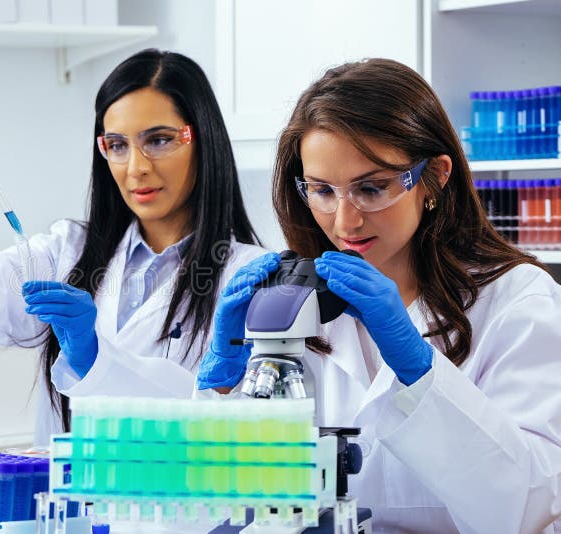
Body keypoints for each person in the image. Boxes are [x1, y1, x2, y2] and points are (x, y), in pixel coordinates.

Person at [196, 58, 561, 532]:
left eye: (371, 188)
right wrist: (224, 391)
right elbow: (235, 496)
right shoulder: (299, 300)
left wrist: (419, 371)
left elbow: (534, 511)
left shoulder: (516, 300)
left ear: (434, 176)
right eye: (322, 191)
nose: (345, 223)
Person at [0, 49, 267, 447]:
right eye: (117, 145)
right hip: (62, 506)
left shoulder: (250, 277)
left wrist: (95, 358)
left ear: (202, 138)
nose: (136, 167)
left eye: (159, 140)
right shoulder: (69, 252)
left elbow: (243, 437)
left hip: (176, 505)